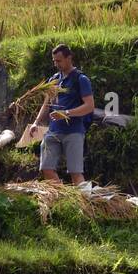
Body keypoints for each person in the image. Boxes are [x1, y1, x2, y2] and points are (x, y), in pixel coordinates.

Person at [28, 44, 94, 185]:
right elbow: (47, 104)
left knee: (75, 173)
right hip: (53, 131)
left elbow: (89, 106)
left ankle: (83, 202)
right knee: (46, 167)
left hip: (73, 131)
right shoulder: (54, 80)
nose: (56, 64)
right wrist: (36, 122)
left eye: (59, 61)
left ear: (69, 58)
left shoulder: (81, 79)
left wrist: (67, 113)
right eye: (54, 61)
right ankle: (62, 199)